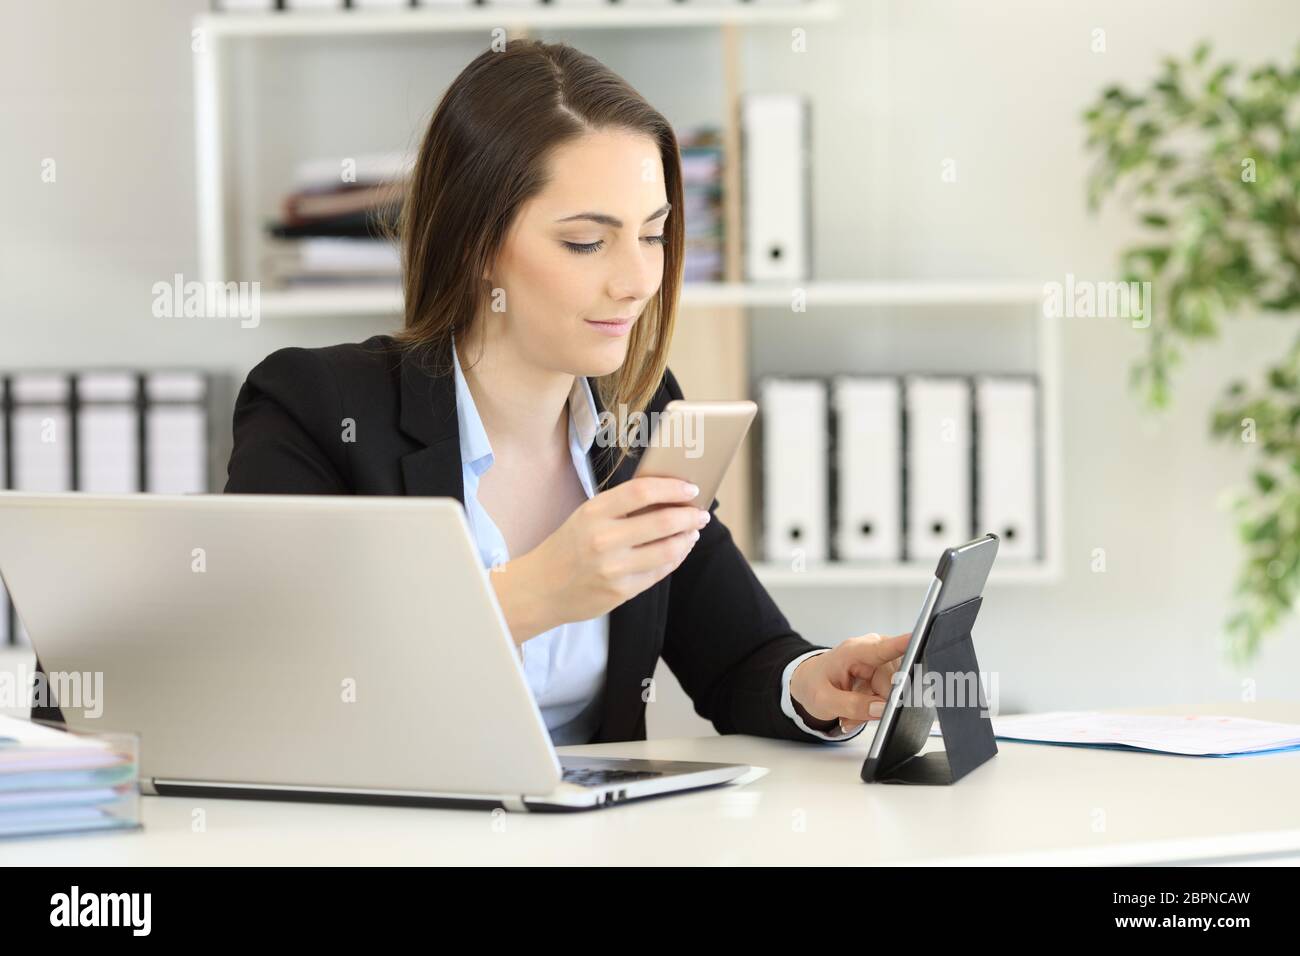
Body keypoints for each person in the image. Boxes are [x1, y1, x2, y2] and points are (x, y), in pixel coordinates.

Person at [224, 40, 909, 747]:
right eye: (587, 242)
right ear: (475, 244)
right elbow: (280, 680)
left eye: (653, 235)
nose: (638, 280)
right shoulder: (313, 407)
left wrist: (816, 682)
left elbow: (738, 657)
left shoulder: (639, 412)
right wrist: (536, 593)